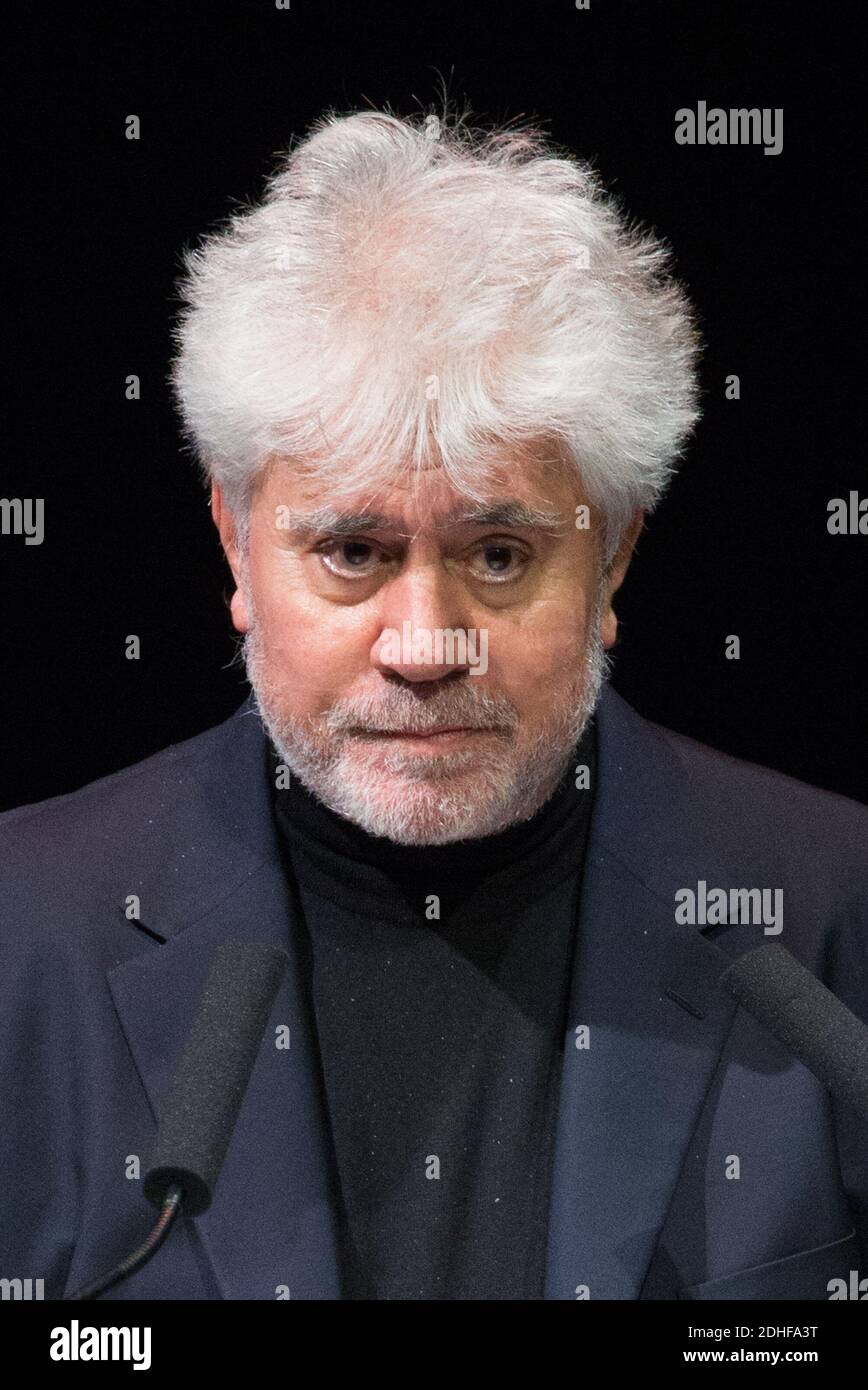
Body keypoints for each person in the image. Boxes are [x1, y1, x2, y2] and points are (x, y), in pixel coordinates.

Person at [1, 106, 865, 1301]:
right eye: (353, 550)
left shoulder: (833, 906)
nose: (425, 644)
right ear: (237, 544)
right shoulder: (23, 925)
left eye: (500, 554)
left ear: (611, 557)